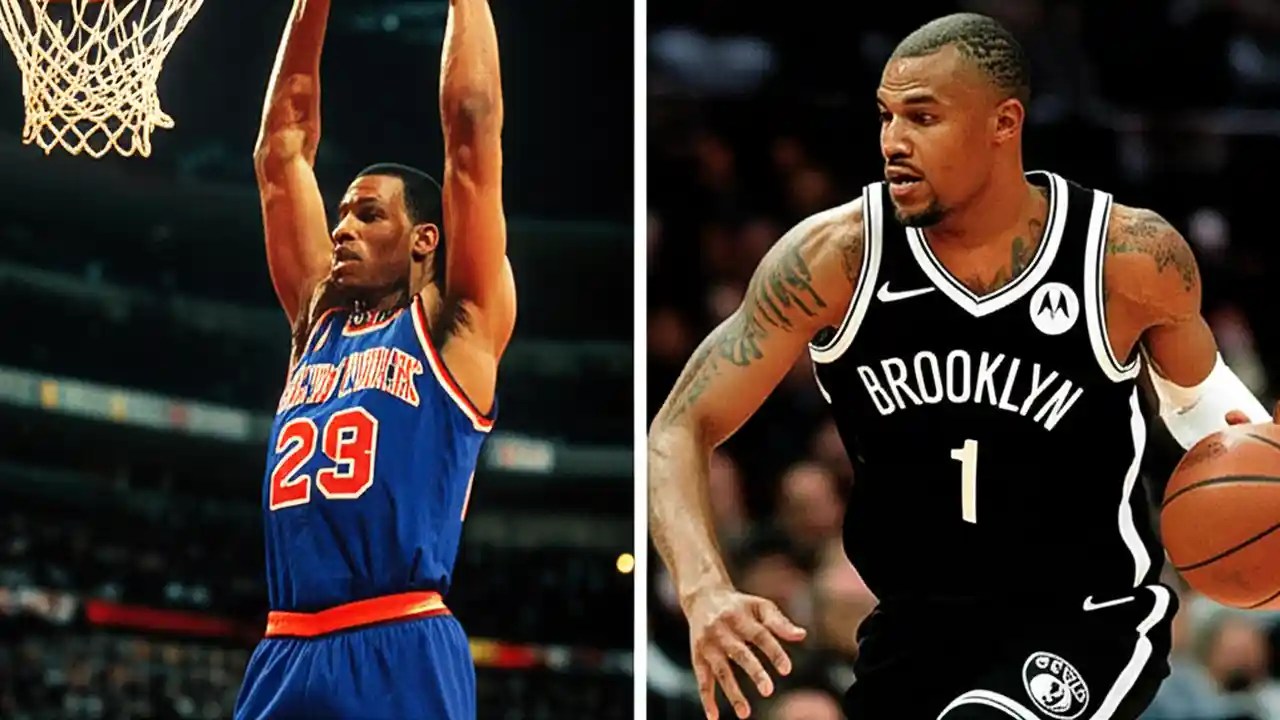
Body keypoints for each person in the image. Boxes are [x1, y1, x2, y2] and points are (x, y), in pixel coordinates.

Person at [648, 12, 1278, 720]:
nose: (893, 143)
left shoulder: (1124, 258)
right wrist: (704, 590)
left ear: (1002, 124)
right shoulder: (835, 261)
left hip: (1083, 619)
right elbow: (678, 427)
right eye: (886, 117)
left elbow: (1211, 415)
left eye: (923, 117)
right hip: (913, 629)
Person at [233, 0, 514, 717]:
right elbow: (281, 151)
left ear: (423, 239)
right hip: (286, 643)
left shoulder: (459, 322)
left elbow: (472, 133)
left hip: (401, 637)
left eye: (367, 213)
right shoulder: (316, 315)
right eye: (341, 213)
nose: (342, 227)